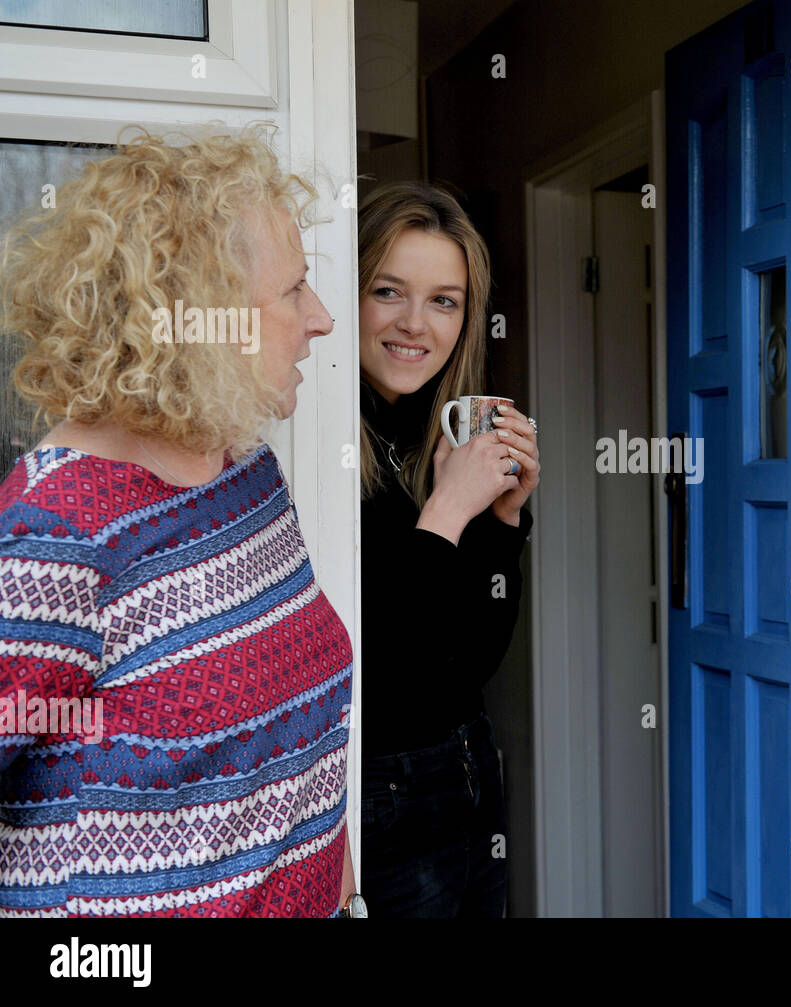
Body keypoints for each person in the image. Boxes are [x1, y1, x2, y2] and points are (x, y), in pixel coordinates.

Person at [0, 127, 357, 916]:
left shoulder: (247, 472)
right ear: (203, 318)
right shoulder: (55, 532)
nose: (324, 318)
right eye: (295, 290)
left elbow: (302, 735)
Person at [356, 181, 539, 917]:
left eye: (444, 300)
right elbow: (389, 671)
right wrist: (445, 514)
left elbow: (468, 663)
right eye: (388, 291)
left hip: (468, 769)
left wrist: (501, 518)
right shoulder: (313, 446)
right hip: (377, 789)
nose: (414, 324)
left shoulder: (435, 440)